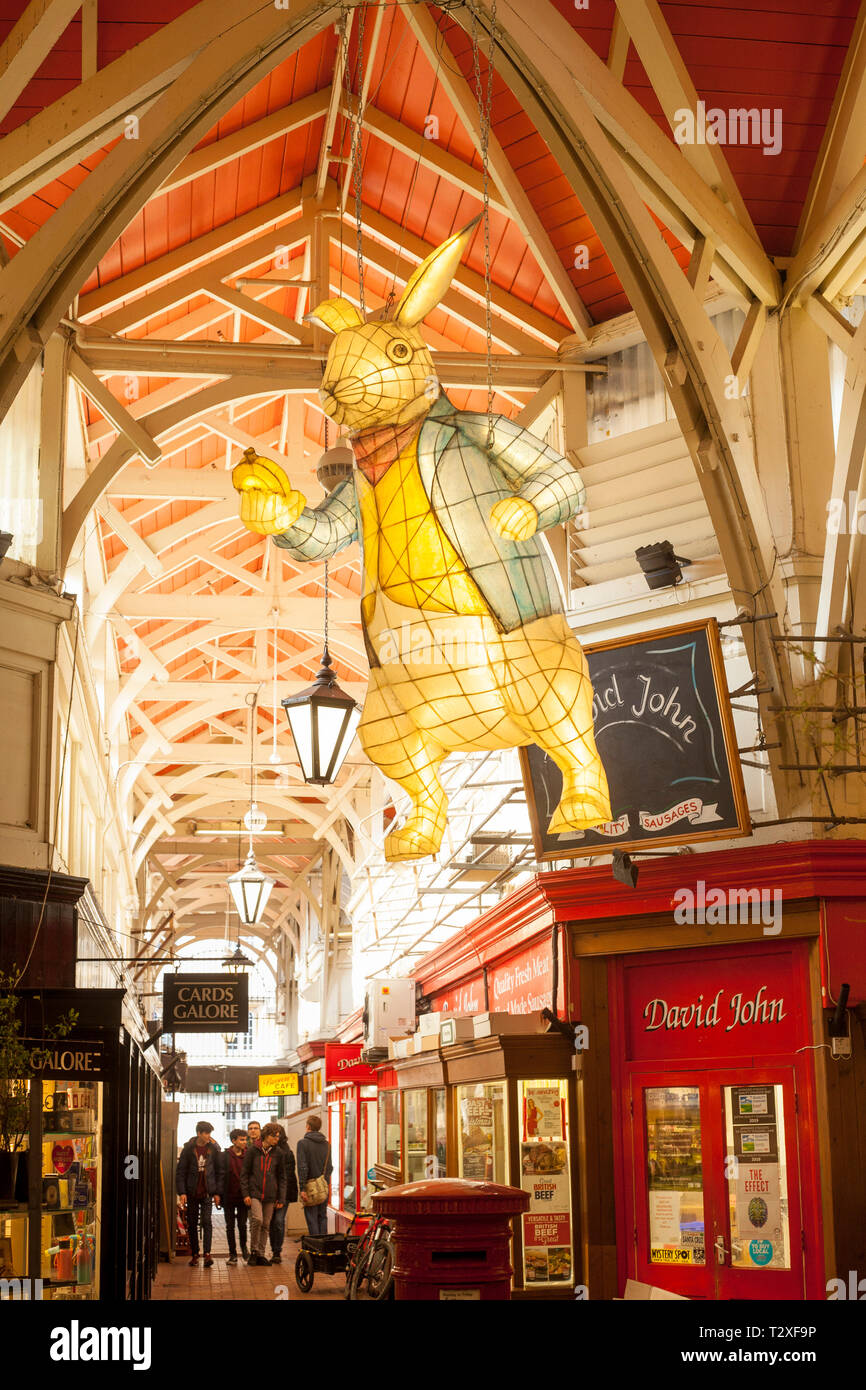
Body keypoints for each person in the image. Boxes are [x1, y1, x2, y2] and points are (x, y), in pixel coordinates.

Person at [176, 1121, 222, 1267]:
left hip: (208, 1192)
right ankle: (195, 1254)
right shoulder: (188, 1149)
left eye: (210, 1133)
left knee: (207, 1222)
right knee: (192, 1223)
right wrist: (182, 1192)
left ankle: (207, 1254)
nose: (209, 1136)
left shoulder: (212, 1149)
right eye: (207, 1133)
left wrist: (217, 1192)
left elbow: (219, 1171)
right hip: (192, 1192)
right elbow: (181, 1172)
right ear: (199, 1133)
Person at [240, 1121, 287, 1265]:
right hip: (254, 1193)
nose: (277, 1139)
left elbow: (282, 1177)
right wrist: (246, 1193)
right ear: (267, 1136)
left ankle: (261, 1254)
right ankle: (253, 1251)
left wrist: (281, 1198)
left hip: (271, 1195)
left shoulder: (278, 1153)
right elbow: (245, 1174)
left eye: (278, 1137)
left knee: (266, 1224)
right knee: (257, 1219)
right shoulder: (253, 1151)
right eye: (274, 1136)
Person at [297, 1115, 332, 1237]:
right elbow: (329, 1167)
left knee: (311, 1218)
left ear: (308, 1126)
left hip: (310, 1186)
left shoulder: (302, 1143)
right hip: (323, 1186)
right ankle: (324, 1246)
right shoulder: (327, 1144)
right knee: (322, 1216)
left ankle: (316, 1246)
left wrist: (302, 1188)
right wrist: (324, 1181)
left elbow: (302, 1167)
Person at [217, 1129, 249, 1265]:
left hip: (243, 1196)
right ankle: (233, 1254)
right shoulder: (224, 1156)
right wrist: (217, 1194)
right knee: (230, 1226)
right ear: (234, 1141)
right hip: (228, 1196)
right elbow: (220, 1175)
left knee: (242, 1225)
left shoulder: (248, 1155)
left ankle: (244, 1249)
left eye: (245, 1139)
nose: (244, 1142)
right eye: (241, 1140)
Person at [268, 1125, 298, 1265]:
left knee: (278, 1221)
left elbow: (287, 1177)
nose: (275, 1138)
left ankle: (276, 1251)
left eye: (276, 1135)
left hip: (283, 1193)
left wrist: (282, 1196)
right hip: (269, 1192)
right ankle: (274, 1249)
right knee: (272, 1221)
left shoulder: (286, 1152)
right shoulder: (267, 1151)